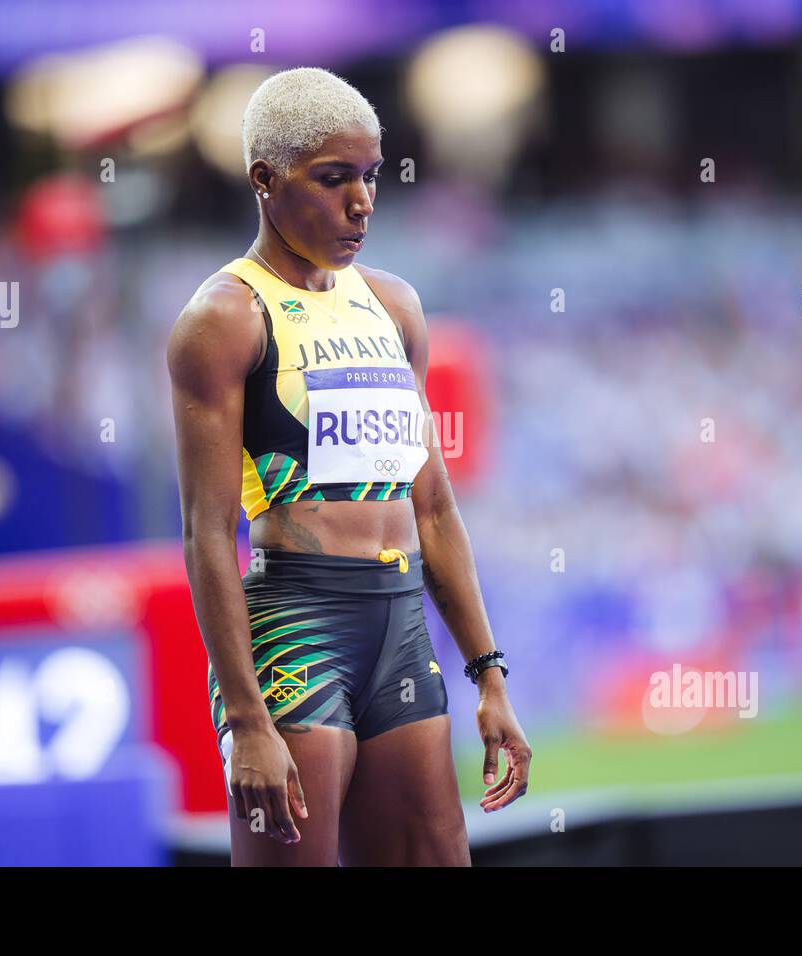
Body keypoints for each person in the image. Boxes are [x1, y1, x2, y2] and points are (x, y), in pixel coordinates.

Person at [167, 67, 530, 866]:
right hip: (295, 631)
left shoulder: (395, 305)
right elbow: (204, 533)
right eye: (332, 179)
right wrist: (248, 719)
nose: (361, 201)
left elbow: (432, 507)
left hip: (399, 627)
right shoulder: (225, 318)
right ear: (265, 180)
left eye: (369, 175)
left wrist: (489, 676)